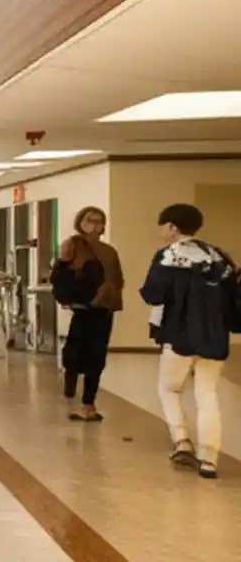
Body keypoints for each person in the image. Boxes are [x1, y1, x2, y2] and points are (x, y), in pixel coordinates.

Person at [139, 204, 238, 479]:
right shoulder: (219, 257)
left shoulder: (168, 257)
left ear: (172, 227)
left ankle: (181, 440)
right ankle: (210, 458)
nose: (161, 232)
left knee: (169, 389)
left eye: (163, 226)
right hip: (214, 336)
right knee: (207, 394)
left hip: (178, 334)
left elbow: (152, 295)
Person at [50, 206, 124, 422]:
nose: (94, 225)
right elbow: (60, 275)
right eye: (89, 220)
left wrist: (106, 297)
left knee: (96, 356)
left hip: (102, 309)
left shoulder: (109, 252)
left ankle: (88, 403)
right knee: (74, 352)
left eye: (99, 221)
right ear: (80, 222)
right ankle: (71, 378)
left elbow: (116, 279)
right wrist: (71, 298)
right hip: (81, 309)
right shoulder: (71, 246)